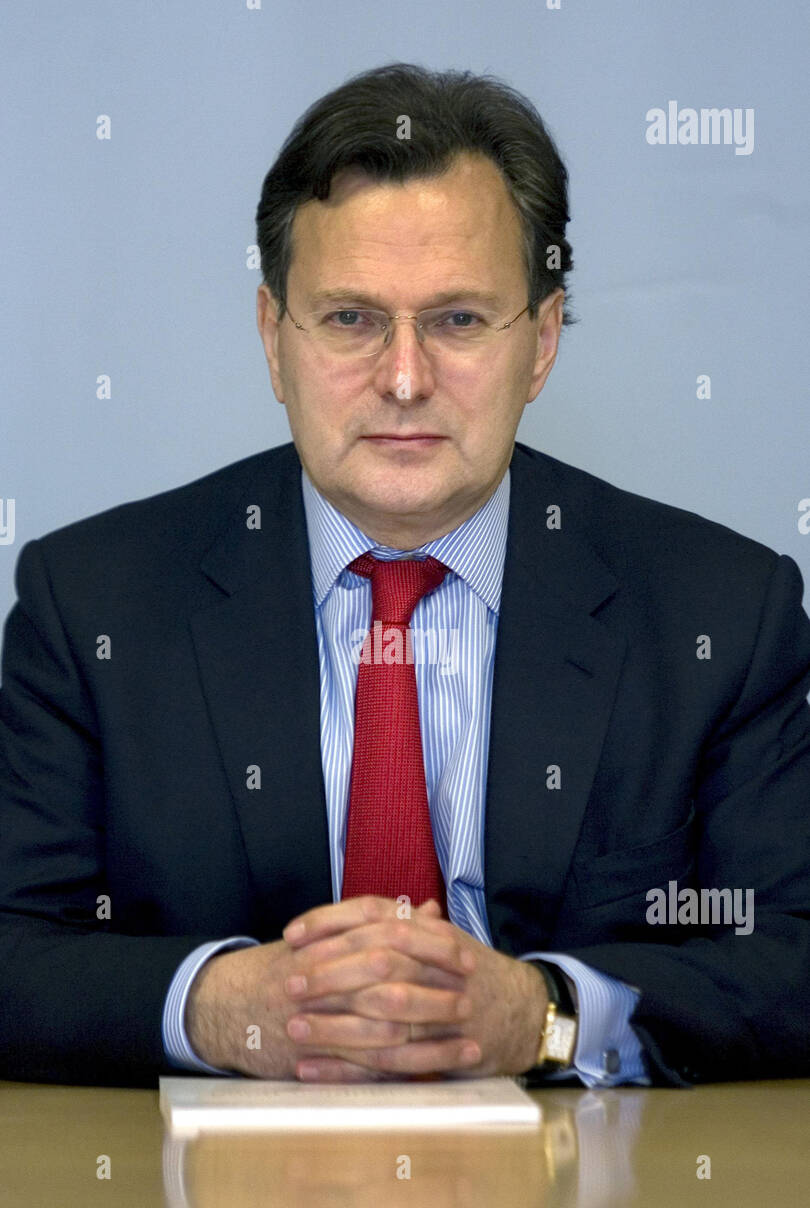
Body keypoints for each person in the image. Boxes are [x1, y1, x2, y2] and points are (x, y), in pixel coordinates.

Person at [2, 63, 809, 1090]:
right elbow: (15, 946)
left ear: (544, 342)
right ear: (272, 338)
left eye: (459, 320)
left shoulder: (722, 612)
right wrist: (223, 1005)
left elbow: (789, 955)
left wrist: (546, 1014)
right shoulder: (93, 605)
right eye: (350, 319)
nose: (403, 377)